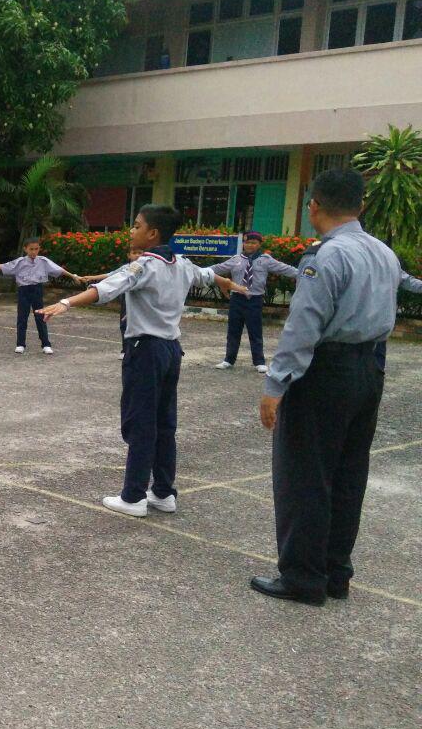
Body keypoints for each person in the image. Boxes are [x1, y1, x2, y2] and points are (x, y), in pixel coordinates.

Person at [251, 170, 401, 606]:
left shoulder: (325, 257)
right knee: (348, 475)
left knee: (305, 475)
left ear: (314, 205)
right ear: (361, 206)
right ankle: (336, 573)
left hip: (326, 372)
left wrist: (275, 384)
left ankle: (302, 577)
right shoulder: (383, 253)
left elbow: (304, 327)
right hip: (369, 369)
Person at [38, 205, 245, 517]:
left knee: (140, 424)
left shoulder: (143, 266)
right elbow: (207, 276)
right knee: (164, 423)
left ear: (153, 234)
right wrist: (226, 283)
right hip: (171, 351)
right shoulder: (181, 263)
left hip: (146, 351)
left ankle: (133, 496)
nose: (131, 231)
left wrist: (65, 303)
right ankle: (163, 492)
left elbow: (105, 290)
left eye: (136, 226)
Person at [209, 232, 299, 374]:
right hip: (237, 299)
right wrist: (198, 272)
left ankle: (259, 362)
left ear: (259, 245)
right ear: (243, 243)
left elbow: (285, 269)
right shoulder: (236, 259)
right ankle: (229, 359)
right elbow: (217, 268)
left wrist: (303, 274)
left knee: (255, 331)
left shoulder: (265, 260)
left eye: (253, 243)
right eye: (247, 242)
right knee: (233, 330)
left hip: (255, 300)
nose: (250, 245)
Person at [0, 239, 81, 355]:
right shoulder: (19, 262)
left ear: (39, 249)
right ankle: (20, 344)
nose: (34, 252)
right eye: (31, 249)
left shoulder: (43, 261)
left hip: (37, 290)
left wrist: (73, 276)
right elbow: (3, 266)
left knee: (40, 316)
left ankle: (46, 344)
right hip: (23, 290)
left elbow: (59, 270)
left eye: (36, 249)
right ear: (25, 249)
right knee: (22, 317)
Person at [78, 242, 145, 360]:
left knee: (141, 324)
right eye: (134, 253)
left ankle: (141, 350)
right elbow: (110, 275)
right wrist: (93, 278)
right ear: (129, 255)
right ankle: (125, 350)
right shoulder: (125, 268)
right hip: (127, 298)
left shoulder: (147, 268)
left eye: (140, 253)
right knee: (125, 324)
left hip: (142, 300)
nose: (137, 256)